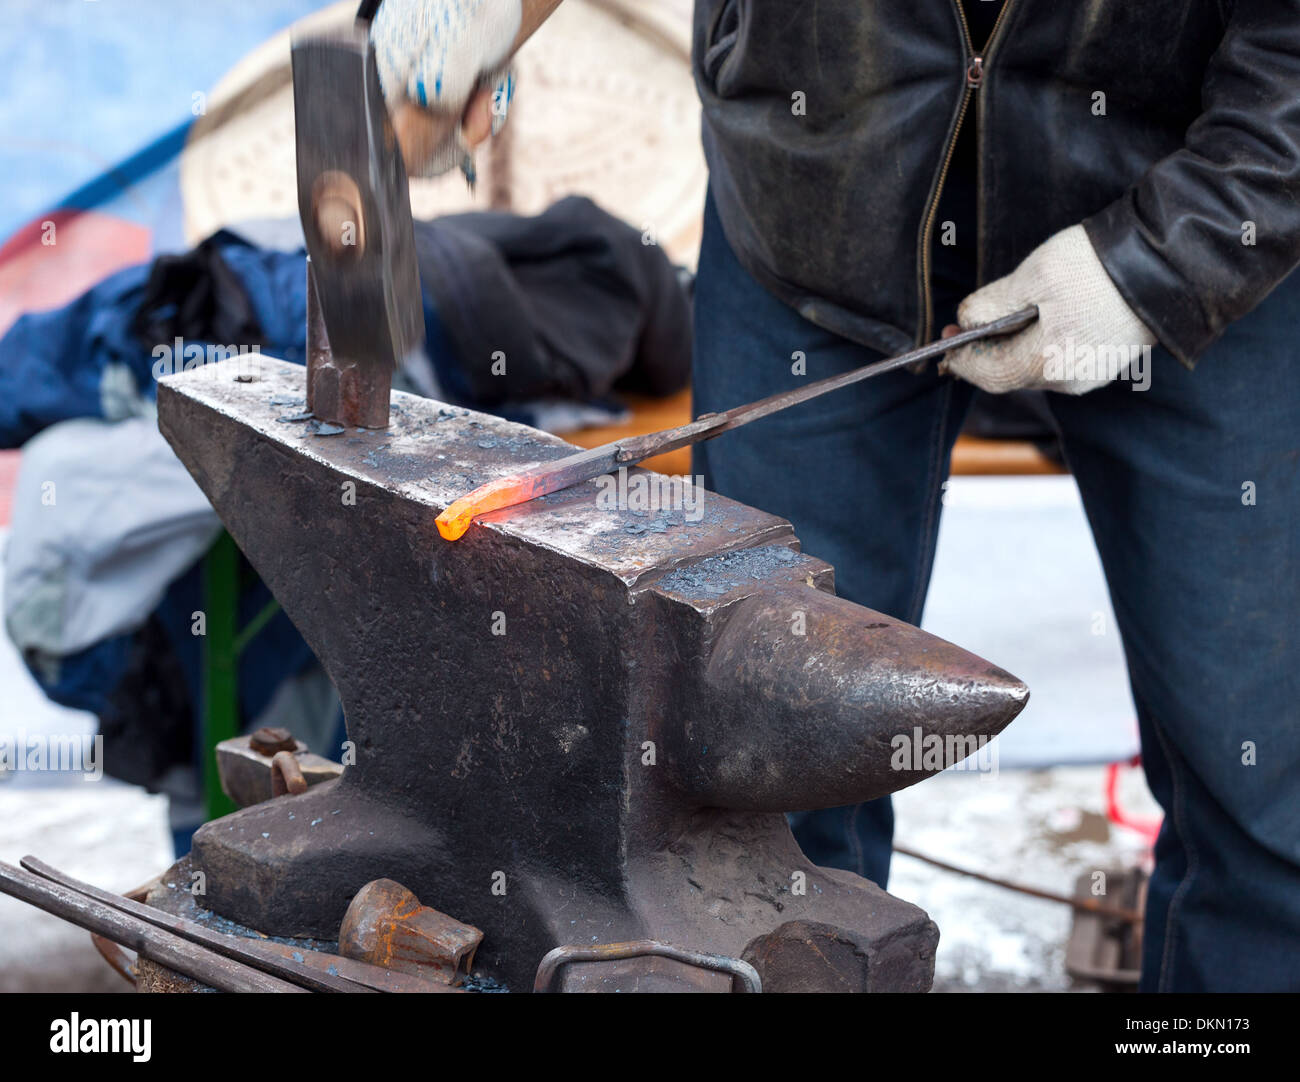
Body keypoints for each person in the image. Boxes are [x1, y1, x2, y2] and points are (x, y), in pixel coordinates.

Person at [363, 0, 1300, 992]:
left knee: (1261, 797)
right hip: (814, 220)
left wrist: (1151, 270)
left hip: (1196, 202)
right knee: (770, 797)